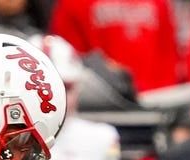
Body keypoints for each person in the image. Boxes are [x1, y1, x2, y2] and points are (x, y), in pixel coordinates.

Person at [50, 0, 180, 92]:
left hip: (153, 103)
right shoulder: (73, 3)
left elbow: (168, 57)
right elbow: (67, 56)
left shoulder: (159, 3)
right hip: (99, 105)